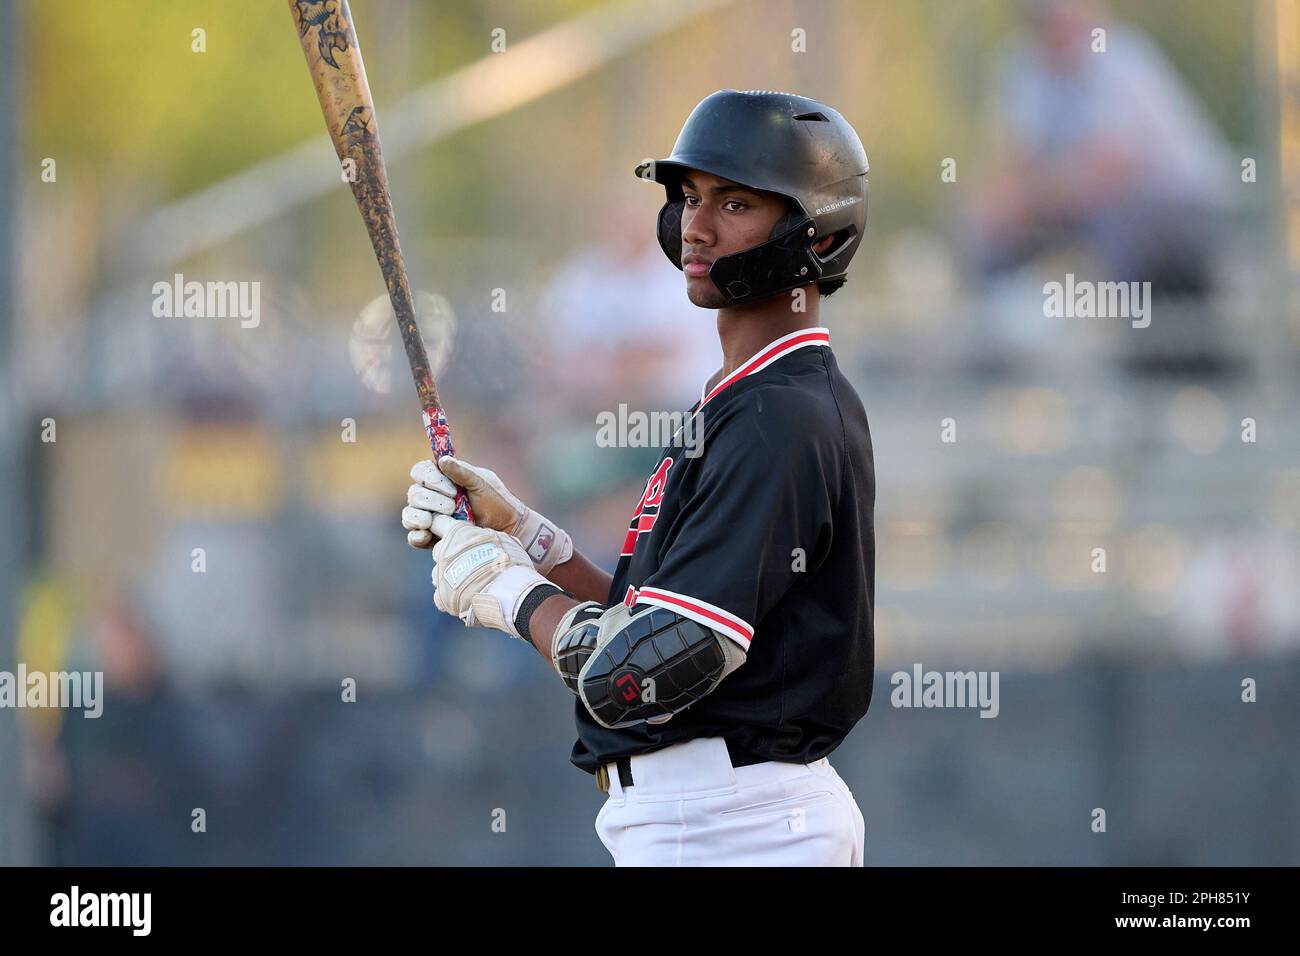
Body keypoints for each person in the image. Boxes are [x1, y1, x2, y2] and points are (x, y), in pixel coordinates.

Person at [401, 90, 876, 866]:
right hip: (712, 816)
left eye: (735, 203)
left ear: (812, 229)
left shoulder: (777, 416)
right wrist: (527, 537)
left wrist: (511, 596)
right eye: (689, 199)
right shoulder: (739, 402)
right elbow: (637, 622)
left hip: (735, 823)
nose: (696, 225)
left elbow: (644, 670)